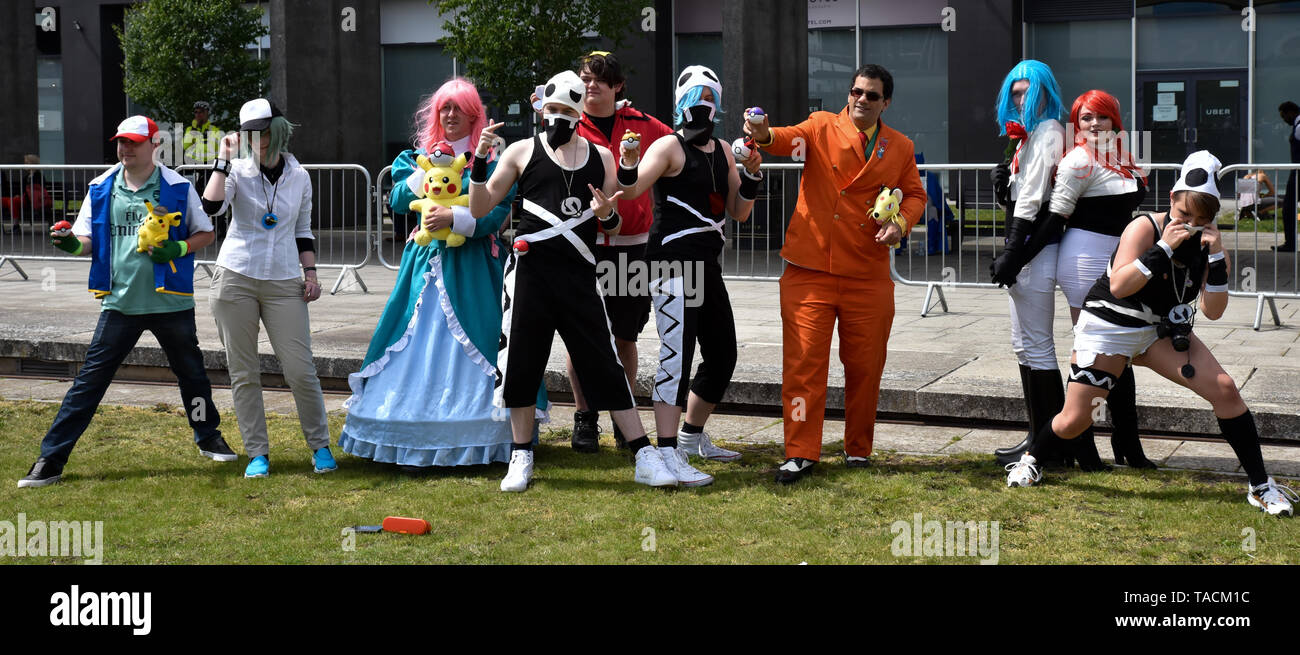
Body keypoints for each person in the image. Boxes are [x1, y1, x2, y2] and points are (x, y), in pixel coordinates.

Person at [1005, 151, 1298, 517]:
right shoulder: (1145, 227)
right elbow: (1120, 284)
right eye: (1184, 214)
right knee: (1075, 418)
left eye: (1201, 219)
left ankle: (1260, 485)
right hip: (1109, 326)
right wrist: (1163, 248)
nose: (1189, 224)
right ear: (1172, 199)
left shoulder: (1206, 243)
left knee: (1224, 389)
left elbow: (1214, 310)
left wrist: (1218, 257)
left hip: (1158, 331)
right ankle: (1032, 458)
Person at [469, 70, 685, 492]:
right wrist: (480, 159)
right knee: (522, 361)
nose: (558, 118)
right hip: (531, 274)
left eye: (567, 111)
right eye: (551, 110)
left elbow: (616, 218)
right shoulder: (519, 151)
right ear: (540, 109)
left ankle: (643, 454)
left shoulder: (600, 156)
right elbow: (479, 208)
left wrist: (607, 213)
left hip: (581, 274)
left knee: (605, 362)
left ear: (579, 112)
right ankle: (521, 455)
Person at [339, 77, 545, 469]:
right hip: (424, 266)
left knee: (484, 338)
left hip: (472, 269)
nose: (451, 115)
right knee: (408, 333)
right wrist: (429, 166)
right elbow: (398, 199)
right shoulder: (415, 158)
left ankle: (493, 436)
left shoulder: (489, 162)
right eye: (444, 108)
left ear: (474, 116)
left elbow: (497, 214)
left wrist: (455, 216)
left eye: (459, 108)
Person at [19, 115, 234, 488]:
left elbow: (206, 233)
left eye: (134, 141)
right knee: (88, 384)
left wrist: (178, 247)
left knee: (193, 376)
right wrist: (71, 243)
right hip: (119, 304)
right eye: (121, 141)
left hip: (172, 302)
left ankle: (207, 435)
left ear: (155, 144)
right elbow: (85, 239)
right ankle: (50, 459)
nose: (125, 148)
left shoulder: (177, 186)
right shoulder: (101, 187)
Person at [744, 64, 928, 484]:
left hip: (868, 271)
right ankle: (800, 451)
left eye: (871, 95)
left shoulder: (899, 146)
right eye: (856, 91)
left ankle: (858, 449)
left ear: (887, 103)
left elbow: (914, 193)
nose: (861, 100)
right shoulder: (821, 125)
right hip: (810, 269)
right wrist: (763, 133)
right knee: (803, 364)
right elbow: (782, 138)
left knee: (866, 367)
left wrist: (901, 224)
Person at [616, 65, 762, 484]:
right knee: (676, 356)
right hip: (671, 263)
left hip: (706, 264)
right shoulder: (669, 146)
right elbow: (631, 190)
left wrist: (751, 173)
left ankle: (690, 437)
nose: (704, 106)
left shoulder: (720, 150)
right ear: (681, 104)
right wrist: (628, 162)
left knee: (722, 353)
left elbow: (738, 211)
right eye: (697, 98)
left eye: (710, 99)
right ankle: (665, 452)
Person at [201, 99, 334, 478]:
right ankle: (257, 452)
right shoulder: (237, 171)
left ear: (279, 129)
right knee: (243, 371)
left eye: (262, 130)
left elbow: (302, 229)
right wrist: (222, 160)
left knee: (300, 369)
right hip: (235, 277)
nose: (256, 139)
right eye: (248, 133)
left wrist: (310, 274)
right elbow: (210, 208)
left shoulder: (300, 176)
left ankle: (320, 445)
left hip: (284, 280)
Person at [987, 60, 1110, 470]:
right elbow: (1025, 193)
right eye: (1016, 92)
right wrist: (1004, 185)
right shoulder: (1032, 136)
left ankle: (1053, 443)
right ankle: (1039, 438)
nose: (1021, 99)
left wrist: (1013, 252)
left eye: (1029, 92)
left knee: (1037, 346)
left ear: (1045, 93)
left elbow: (1034, 201)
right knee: (1025, 344)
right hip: (1027, 248)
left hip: (1035, 250)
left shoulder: (1047, 132)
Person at [564, 51, 675, 454]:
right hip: (582, 246)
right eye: (585, 78)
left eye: (599, 80)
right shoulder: (568, 122)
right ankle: (584, 418)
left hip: (632, 247)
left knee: (625, 337)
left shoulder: (645, 125)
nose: (590, 86)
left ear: (617, 86)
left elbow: (679, 151)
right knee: (582, 336)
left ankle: (621, 419)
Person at [1048, 90, 1155, 468]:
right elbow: (1056, 214)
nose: (1095, 125)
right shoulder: (1077, 159)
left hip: (1120, 260)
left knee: (1120, 353)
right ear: (1076, 123)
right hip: (1083, 258)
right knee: (1092, 358)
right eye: (1086, 118)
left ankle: (1127, 442)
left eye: (1103, 117)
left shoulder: (1125, 157)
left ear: (1115, 120)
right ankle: (1083, 446)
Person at [1273, 101, 1299, 252]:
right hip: (1296, 172)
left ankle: (1290, 243)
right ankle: (1290, 243)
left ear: (1290, 112)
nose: (1284, 120)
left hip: (1298, 173)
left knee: (1288, 208)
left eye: (1284, 116)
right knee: (1288, 208)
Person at [2, 154, 51, 233]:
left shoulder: (38, 176)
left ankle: (16, 225)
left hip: (31, 200)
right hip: (23, 198)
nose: (25, 165)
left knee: (13, 201)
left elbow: (36, 191)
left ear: (33, 164)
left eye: (27, 163)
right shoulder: (26, 176)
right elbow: (22, 189)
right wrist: (19, 195)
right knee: (3, 200)